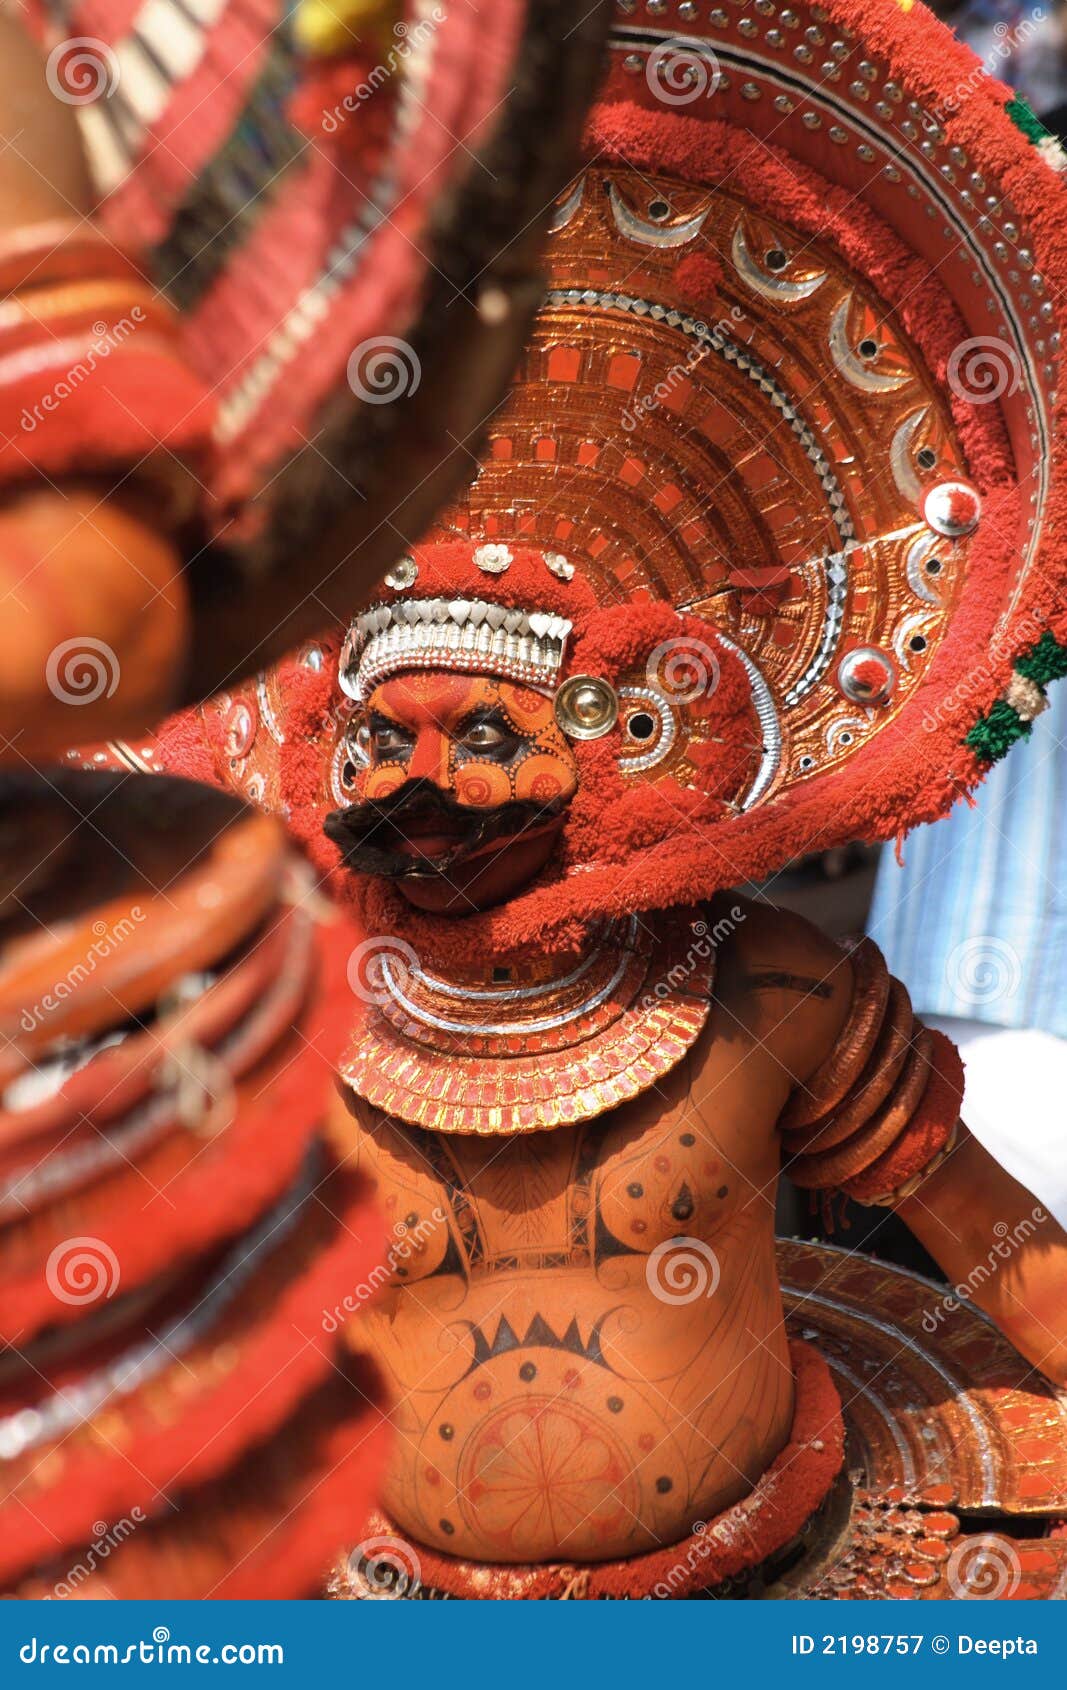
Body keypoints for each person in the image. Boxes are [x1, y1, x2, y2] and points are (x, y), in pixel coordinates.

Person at [154, 0, 1067, 1599]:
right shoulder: (284, 1018)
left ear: (625, 738)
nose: (421, 792)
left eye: (484, 736)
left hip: (783, 1574)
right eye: (384, 745)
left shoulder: (772, 992)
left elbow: (1001, 1249)